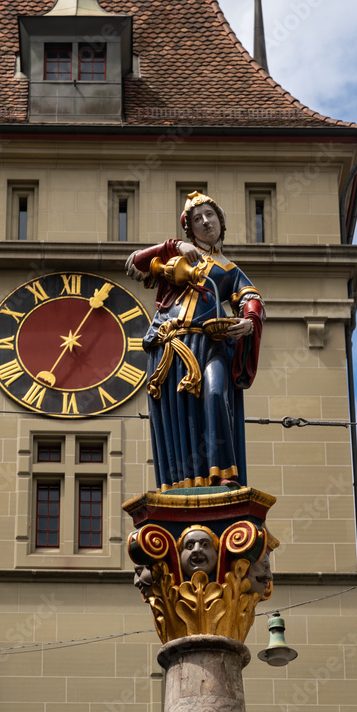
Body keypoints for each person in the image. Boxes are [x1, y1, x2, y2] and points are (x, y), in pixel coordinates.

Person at [126, 192, 264, 491]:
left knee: (216, 394)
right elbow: (135, 263)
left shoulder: (230, 270)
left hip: (209, 342)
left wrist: (249, 321)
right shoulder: (176, 257)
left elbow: (251, 298)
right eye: (197, 219)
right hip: (170, 344)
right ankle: (179, 482)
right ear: (189, 228)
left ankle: (224, 473)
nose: (205, 222)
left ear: (221, 220)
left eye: (210, 215)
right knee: (176, 413)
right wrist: (174, 245)